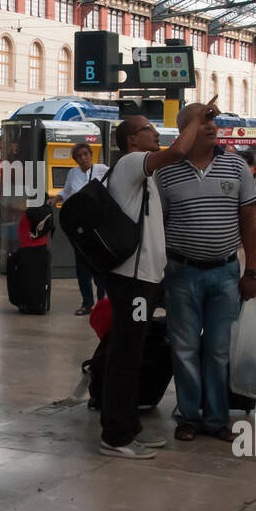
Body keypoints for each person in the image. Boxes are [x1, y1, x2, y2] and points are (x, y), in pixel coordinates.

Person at [96, 110, 202, 459]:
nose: (155, 133)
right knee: (125, 356)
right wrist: (195, 122)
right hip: (132, 280)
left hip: (145, 279)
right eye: (148, 130)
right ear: (131, 140)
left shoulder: (144, 174)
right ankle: (115, 436)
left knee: (133, 353)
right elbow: (178, 152)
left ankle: (129, 427)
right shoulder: (130, 164)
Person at [158, 101, 256, 443]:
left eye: (212, 120)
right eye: (202, 121)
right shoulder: (166, 172)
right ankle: (189, 417)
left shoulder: (236, 168)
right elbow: (158, 225)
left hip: (225, 274)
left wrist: (252, 272)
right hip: (181, 273)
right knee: (184, 349)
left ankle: (216, 419)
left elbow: (249, 223)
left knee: (218, 351)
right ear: (184, 130)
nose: (211, 125)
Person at [56, 142, 109, 315]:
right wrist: (56, 198)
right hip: (78, 226)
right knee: (82, 266)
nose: (83, 158)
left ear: (91, 155)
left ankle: (103, 301)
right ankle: (87, 303)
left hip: (98, 225)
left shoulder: (103, 170)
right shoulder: (73, 173)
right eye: (79, 156)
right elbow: (66, 191)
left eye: (85, 154)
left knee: (100, 266)